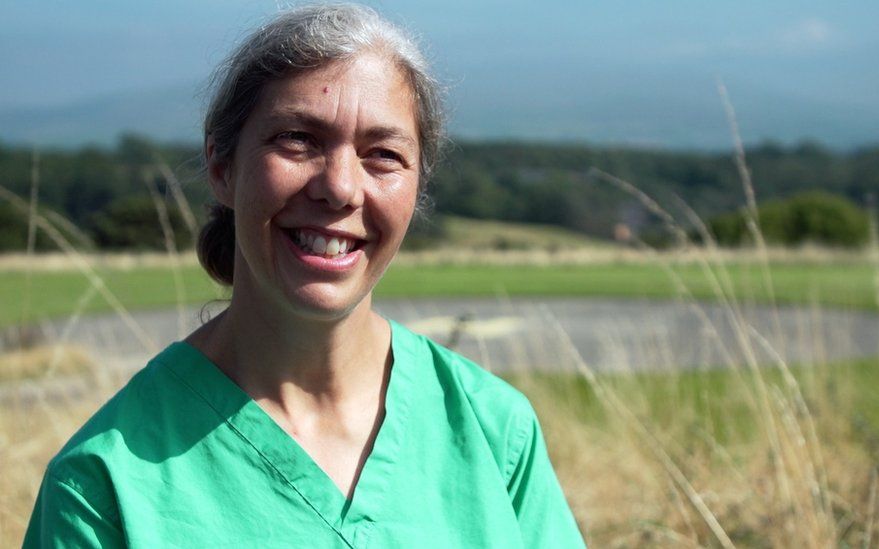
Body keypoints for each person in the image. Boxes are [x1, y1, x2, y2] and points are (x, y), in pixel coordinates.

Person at [24, 3, 585, 548]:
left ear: (418, 189)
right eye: (298, 139)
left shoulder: (494, 430)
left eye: (382, 154)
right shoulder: (103, 486)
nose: (340, 187)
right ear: (222, 167)